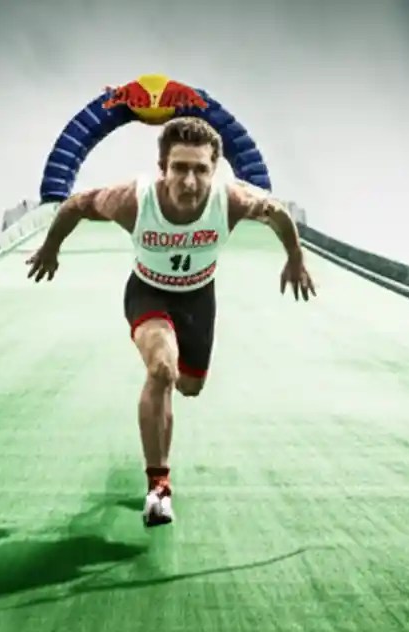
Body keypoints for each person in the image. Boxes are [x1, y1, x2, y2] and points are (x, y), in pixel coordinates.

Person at [25, 116, 316, 527]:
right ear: (162, 169)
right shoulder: (131, 200)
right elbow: (76, 204)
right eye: (179, 168)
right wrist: (51, 248)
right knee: (162, 368)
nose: (190, 181)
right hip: (149, 292)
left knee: (190, 386)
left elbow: (278, 213)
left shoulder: (231, 199)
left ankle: (166, 394)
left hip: (198, 298)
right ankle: (158, 487)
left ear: (214, 171)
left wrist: (295, 258)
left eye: (200, 169)